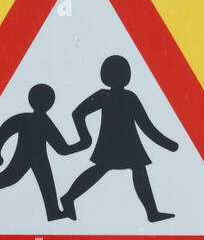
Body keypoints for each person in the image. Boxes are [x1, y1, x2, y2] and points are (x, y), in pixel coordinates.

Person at [59, 54, 178, 221]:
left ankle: (152, 212)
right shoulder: (116, 96)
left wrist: (167, 143)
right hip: (117, 144)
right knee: (119, 170)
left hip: (125, 144)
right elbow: (146, 126)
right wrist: (168, 144)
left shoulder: (118, 96)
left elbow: (145, 125)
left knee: (129, 170)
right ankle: (68, 197)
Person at [0, 83, 82, 221]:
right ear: (50, 102)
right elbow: (3, 132)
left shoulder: (32, 119)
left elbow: (61, 148)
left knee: (43, 182)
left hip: (38, 158)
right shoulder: (37, 120)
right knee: (12, 178)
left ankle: (53, 211)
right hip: (27, 156)